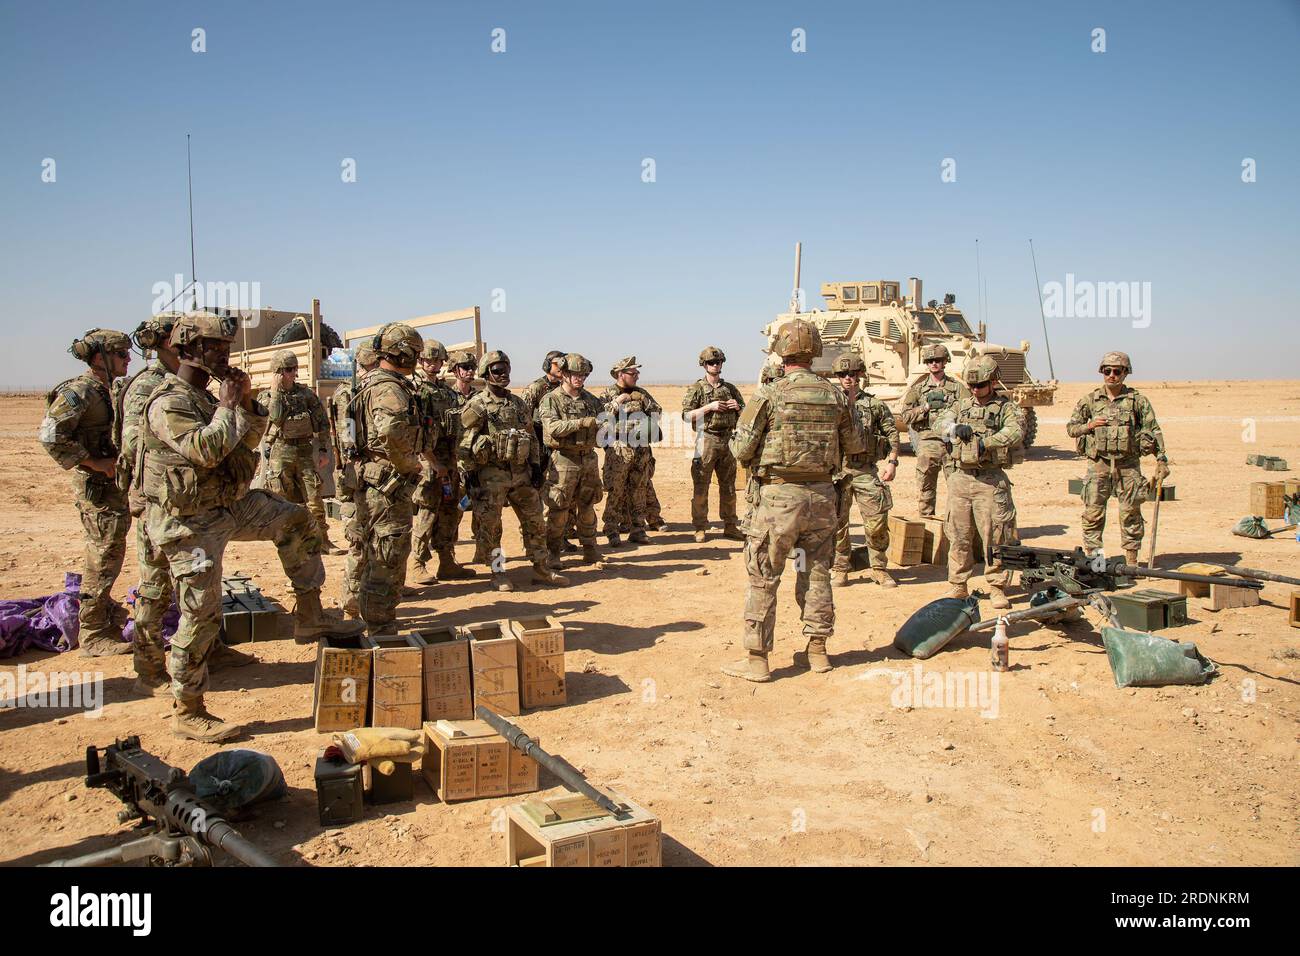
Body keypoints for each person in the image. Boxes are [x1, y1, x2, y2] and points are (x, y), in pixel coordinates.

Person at [136, 312, 362, 742]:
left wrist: (247, 407)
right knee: (201, 609)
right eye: (213, 348)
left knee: (294, 518)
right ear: (186, 351)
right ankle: (188, 707)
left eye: (225, 347)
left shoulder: (207, 397)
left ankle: (310, 617)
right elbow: (207, 450)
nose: (223, 355)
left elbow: (249, 440)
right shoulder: (170, 401)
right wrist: (228, 406)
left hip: (228, 503)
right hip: (188, 519)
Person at [723, 319, 861, 682]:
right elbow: (856, 445)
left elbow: (741, 448)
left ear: (781, 352)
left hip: (779, 501)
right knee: (815, 572)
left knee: (765, 576)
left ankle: (756, 659)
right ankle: (817, 652)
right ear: (814, 351)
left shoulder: (770, 394)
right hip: (821, 499)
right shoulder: (834, 394)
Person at [40, 327, 134, 657]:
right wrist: (93, 462)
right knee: (103, 556)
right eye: (121, 354)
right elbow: (51, 435)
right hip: (96, 489)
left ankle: (103, 617)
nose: (128, 359)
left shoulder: (110, 390)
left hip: (113, 488)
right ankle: (94, 633)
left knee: (111, 553)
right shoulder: (79, 392)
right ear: (99, 359)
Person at [459, 350, 567, 592]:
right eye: (497, 371)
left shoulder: (517, 403)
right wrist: (469, 474)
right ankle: (498, 573)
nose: (503, 374)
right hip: (490, 476)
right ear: (486, 374)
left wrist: (537, 467)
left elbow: (531, 436)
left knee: (535, 521)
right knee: (492, 526)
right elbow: (464, 442)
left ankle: (540, 568)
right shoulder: (477, 405)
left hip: (521, 475)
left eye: (506, 369)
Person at [349, 323, 426, 632]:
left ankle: (372, 620)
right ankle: (380, 628)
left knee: (374, 554)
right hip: (387, 485)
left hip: (370, 481)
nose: (418, 360)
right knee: (387, 557)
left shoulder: (367, 384)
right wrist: (410, 464)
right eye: (415, 354)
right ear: (401, 353)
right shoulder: (390, 389)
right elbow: (392, 432)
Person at [934, 356, 1021, 610]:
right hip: (960, 479)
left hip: (990, 480)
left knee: (995, 535)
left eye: (980, 385)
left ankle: (996, 586)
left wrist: (986, 442)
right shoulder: (960, 406)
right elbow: (939, 423)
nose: (975, 390)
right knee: (958, 534)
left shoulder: (1006, 407)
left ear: (993, 382)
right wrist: (954, 428)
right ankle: (959, 584)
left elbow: (1015, 431)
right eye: (971, 385)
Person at [1066, 351, 1169, 566]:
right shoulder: (1090, 401)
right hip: (1098, 465)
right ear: (1102, 372)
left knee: (1130, 513)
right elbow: (1072, 428)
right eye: (1107, 371)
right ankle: (1097, 563)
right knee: (1093, 514)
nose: (1111, 375)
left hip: (1128, 466)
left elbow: (1154, 430)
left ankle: (1132, 562)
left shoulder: (1137, 402)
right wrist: (1089, 426)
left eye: (1117, 371)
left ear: (1125, 373)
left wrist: (1161, 460)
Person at [255, 350, 344, 554]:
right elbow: (275, 419)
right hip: (280, 452)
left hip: (304, 450)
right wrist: (276, 392)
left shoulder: (304, 394)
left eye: (295, 368)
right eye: (288, 369)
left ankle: (322, 541)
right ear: (278, 372)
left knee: (314, 498)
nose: (293, 373)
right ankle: (289, 543)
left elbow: (322, 422)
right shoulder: (267, 397)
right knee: (283, 500)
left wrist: (322, 450)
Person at [830, 354, 900, 588]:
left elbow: (892, 433)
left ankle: (878, 568)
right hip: (838, 473)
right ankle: (841, 568)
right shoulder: (831, 404)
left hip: (866, 471)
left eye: (852, 374)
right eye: (842, 375)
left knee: (876, 522)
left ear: (860, 375)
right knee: (838, 524)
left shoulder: (874, 405)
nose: (848, 378)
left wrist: (892, 462)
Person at [409, 339, 474, 585]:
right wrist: (431, 462)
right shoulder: (414, 390)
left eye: (437, 361)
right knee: (427, 511)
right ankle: (417, 562)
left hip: (450, 459)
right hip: (427, 460)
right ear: (420, 361)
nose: (433, 365)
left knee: (450, 510)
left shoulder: (448, 393)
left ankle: (447, 561)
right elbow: (415, 432)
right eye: (428, 360)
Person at [538, 353, 605, 567]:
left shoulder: (592, 401)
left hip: (588, 459)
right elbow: (553, 428)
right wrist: (582, 423)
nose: (579, 378)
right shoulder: (551, 399)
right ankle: (553, 552)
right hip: (563, 460)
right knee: (558, 509)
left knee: (587, 506)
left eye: (583, 375)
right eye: (575, 374)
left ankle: (590, 549)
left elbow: (603, 427)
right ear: (564, 374)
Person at [331, 344, 379, 618]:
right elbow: (347, 439)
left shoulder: (368, 392)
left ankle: (369, 592)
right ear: (359, 369)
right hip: (354, 476)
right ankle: (350, 602)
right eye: (368, 369)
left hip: (367, 476)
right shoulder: (348, 395)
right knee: (359, 540)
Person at [682, 346, 746, 542]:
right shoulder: (697, 389)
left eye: (718, 362)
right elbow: (686, 415)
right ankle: (700, 526)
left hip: (728, 440)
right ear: (704, 365)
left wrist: (738, 408)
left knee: (728, 487)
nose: (716, 365)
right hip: (707, 440)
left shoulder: (730, 389)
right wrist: (709, 407)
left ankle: (730, 525)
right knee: (701, 485)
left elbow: (745, 416)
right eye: (711, 362)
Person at [899, 344, 969, 518]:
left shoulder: (957, 388)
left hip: (951, 443)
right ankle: (927, 525)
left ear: (945, 362)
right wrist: (925, 408)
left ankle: (955, 528)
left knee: (957, 490)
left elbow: (969, 412)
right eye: (930, 361)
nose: (934, 364)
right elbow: (906, 416)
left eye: (938, 360)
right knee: (925, 488)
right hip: (928, 442)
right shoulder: (917, 390)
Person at [599, 356, 661, 547]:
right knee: (616, 490)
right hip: (619, 449)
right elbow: (600, 418)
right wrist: (617, 402)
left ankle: (638, 529)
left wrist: (643, 400)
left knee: (639, 490)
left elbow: (657, 411)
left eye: (637, 373)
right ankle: (611, 529)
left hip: (641, 450)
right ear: (620, 374)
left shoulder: (641, 393)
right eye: (633, 373)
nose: (637, 376)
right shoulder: (608, 394)